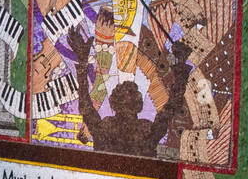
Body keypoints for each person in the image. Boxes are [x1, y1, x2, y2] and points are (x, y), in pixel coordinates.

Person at [69, 27, 193, 157]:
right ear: (139, 105)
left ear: (113, 103)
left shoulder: (104, 129)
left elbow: (85, 105)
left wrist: (82, 62)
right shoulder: (147, 131)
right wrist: (181, 65)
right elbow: (172, 106)